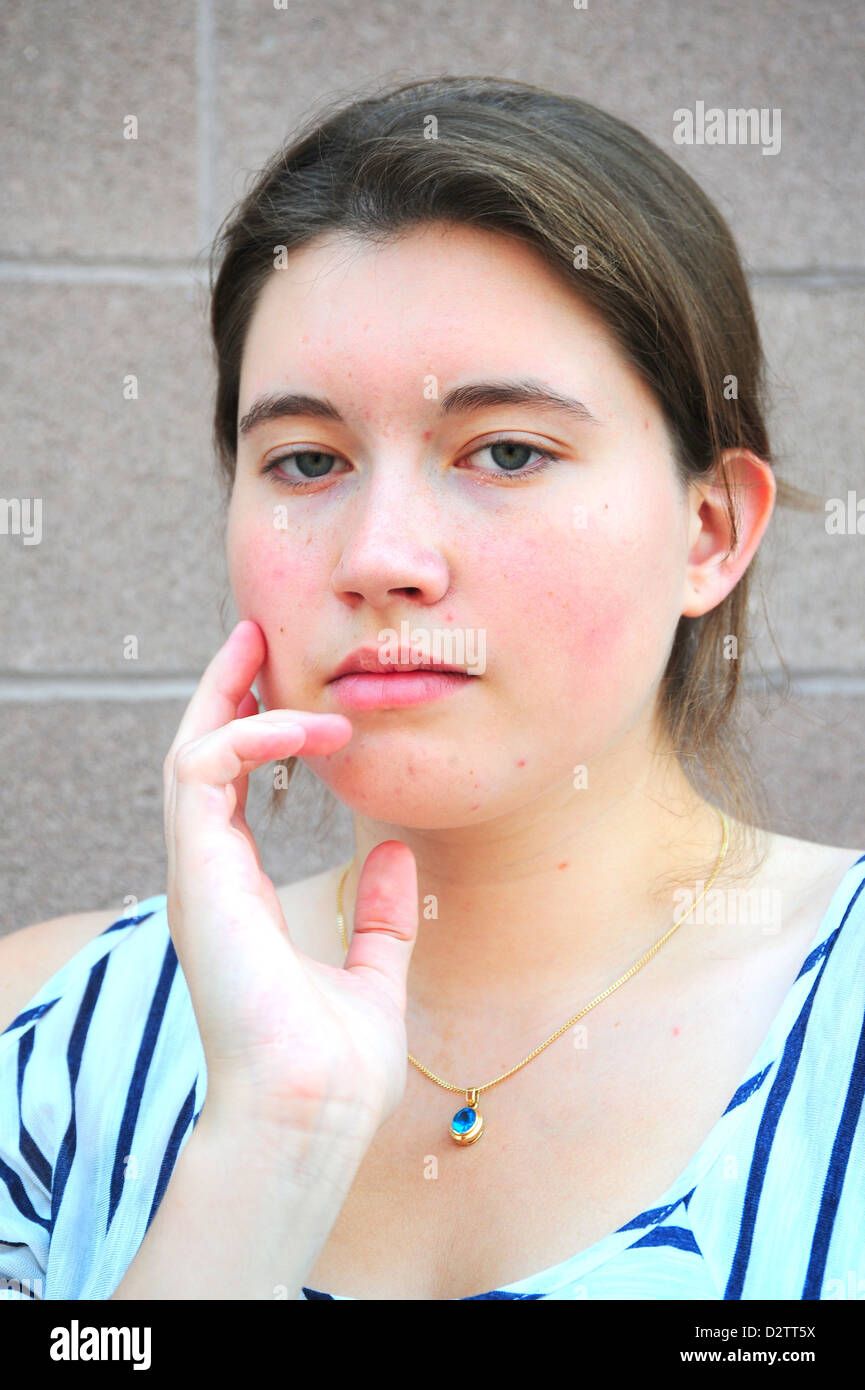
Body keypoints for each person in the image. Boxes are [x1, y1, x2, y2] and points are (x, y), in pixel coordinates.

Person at [1, 75, 863, 1303]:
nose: (377, 556)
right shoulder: (46, 1039)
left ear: (709, 531)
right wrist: (272, 1142)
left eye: (506, 451)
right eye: (307, 460)